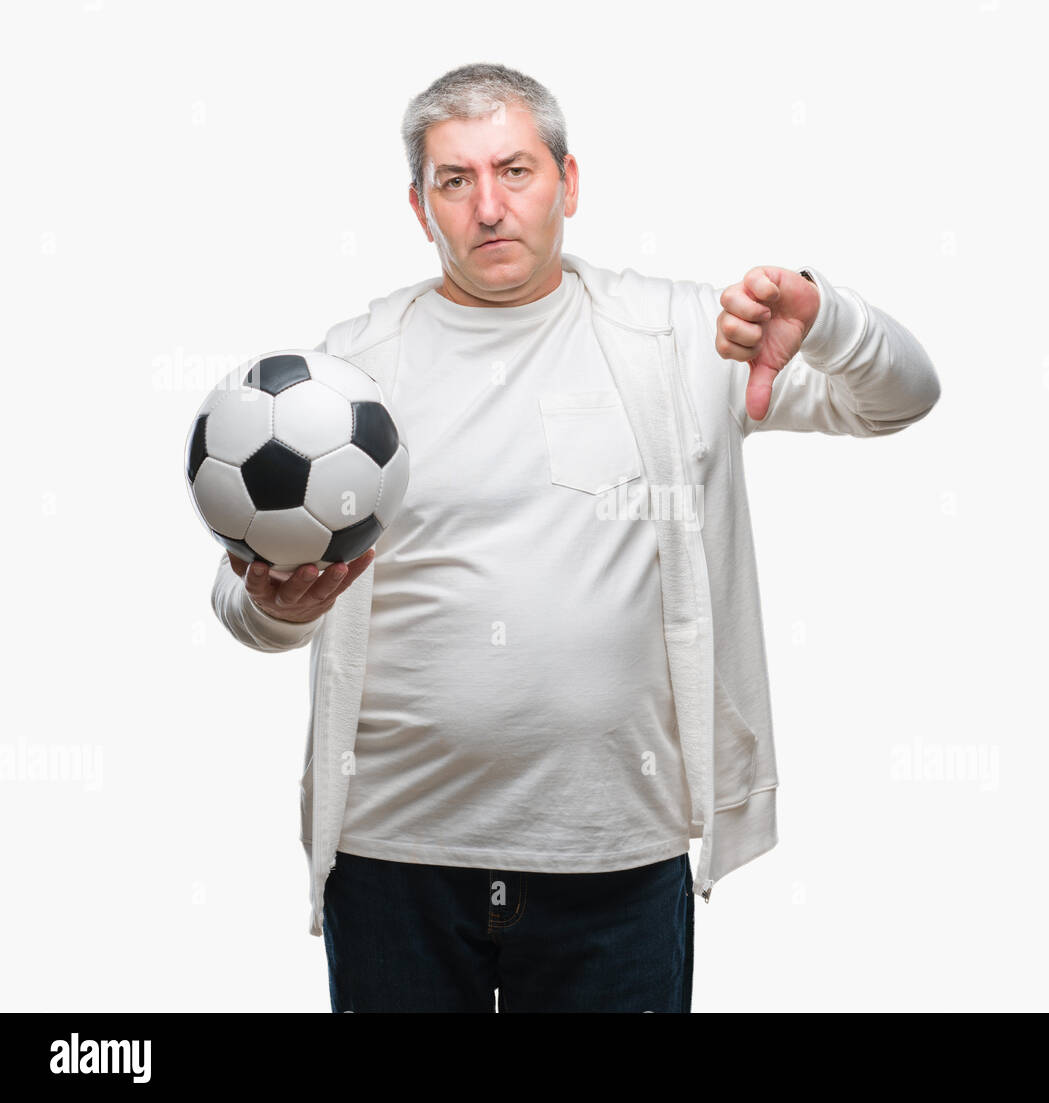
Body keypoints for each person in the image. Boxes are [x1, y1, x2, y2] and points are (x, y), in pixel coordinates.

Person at [210, 61, 941, 1013]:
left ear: (570, 182)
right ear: (418, 205)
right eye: (455, 180)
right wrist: (271, 608)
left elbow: (901, 402)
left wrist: (830, 319)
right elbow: (245, 592)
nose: (488, 207)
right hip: (395, 854)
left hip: (615, 858)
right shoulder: (348, 372)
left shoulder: (681, 336)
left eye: (516, 171)